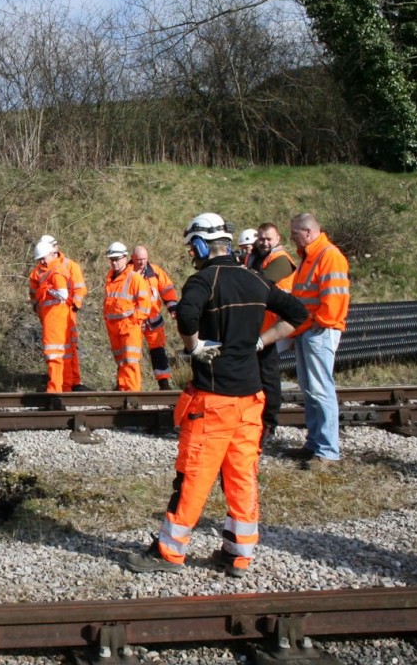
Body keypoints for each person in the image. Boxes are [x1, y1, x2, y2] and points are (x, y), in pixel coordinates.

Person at [124, 212, 307, 578]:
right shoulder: (255, 279)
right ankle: (238, 555)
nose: (192, 253)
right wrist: (262, 340)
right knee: (241, 478)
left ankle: (169, 552)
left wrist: (194, 347)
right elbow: (299, 313)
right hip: (250, 400)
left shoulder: (203, 280)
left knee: (193, 478)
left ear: (203, 244)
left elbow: (187, 316)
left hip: (213, 402)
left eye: (193, 246)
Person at [286, 213, 351, 470]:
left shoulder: (328, 256)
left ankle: (327, 451)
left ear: (309, 232)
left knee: (320, 389)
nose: (292, 239)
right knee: (310, 389)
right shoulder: (310, 256)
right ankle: (315, 444)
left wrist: (317, 325)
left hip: (319, 330)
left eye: (295, 234)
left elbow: (334, 299)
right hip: (310, 330)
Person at [248, 223, 296, 445]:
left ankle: (269, 423)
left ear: (278, 239)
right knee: (256, 375)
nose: (264, 242)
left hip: (271, 328)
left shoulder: (281, 260)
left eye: (268, 239)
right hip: (257, 325)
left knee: (268, 376)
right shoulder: (255, 257)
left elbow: (259, 283)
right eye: (261, 238)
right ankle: (258, 419)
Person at [37, 235, 89, 391]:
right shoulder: (42, 269)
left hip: (68, 312)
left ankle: (73, 382)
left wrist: (75, 305)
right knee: (64, 350)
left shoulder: (67, 266)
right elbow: (34, 289)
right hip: (54, 315)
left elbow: (79, 287)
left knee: (69, 348)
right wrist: (37, 306)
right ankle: (67, 384)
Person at [102, 242, 151, 391]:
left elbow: (145, 304)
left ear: (125, 258)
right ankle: (124, 392)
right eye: (112, 259)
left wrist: (133, 320)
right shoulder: (110, 278)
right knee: (121, 361)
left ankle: (132, 393)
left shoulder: (134, 278)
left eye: (117, 259)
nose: (114, 262)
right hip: (114, 325)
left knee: (130, 360)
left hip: (129, 325)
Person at [129, 246, 179, 390]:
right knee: (130, 354)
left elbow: (167, 289)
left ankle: (164, 382)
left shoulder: (155, 272)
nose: (142, 262)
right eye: (139, 260)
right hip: (134, 320)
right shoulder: (126, 274)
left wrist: (172, 307)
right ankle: (127, 384)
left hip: (153, 319)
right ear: (132, 258)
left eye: (144, 259)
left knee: (158, 351)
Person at [31, 240, 73, 392]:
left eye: (44, 258)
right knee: (64, 353)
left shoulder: (55, 271)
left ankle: (55, 389)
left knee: (53, 353)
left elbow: (63, 294)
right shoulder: (51, 269)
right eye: (39, 259)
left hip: (55, 318)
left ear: (51, 254)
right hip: (57, 317)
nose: (42, 261)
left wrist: (47, 291)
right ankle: (66, 386)